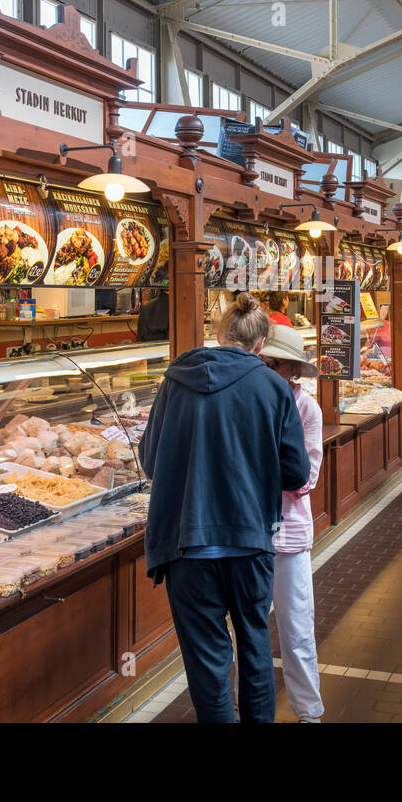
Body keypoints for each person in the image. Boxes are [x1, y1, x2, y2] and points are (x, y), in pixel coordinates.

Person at [140, 292, 311, 722]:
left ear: (218, 334)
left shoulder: (176, 380)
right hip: (252, 541)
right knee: (254, 648)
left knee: (208, 662)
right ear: (260, 345)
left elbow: (149, 460)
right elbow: (296, 474)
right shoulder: (274, 388)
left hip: (187, 545)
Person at [258, 325, 324, 723]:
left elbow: (306, 478)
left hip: (291, 533)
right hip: (249, 533)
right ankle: (243, 704)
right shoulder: (250, 401)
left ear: (291, 370)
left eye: (277, 366)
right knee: (247, 629)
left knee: (297, 628)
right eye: (267, 363)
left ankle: (308, 711)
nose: (271, 372)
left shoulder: (307, 409)